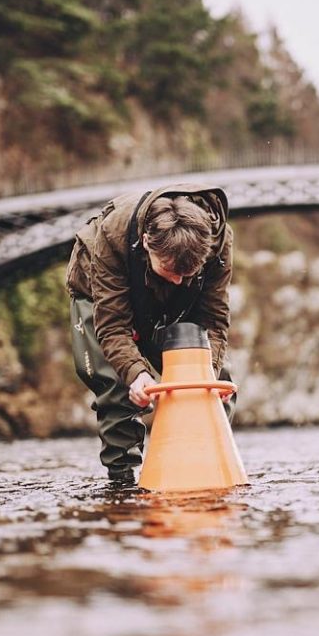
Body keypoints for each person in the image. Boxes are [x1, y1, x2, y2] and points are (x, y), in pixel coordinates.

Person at [66, 186, 233, 487]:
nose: (178, 280)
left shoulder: (217, 242)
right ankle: (123, 484)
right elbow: (113, 326)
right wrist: (136, 374)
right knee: (117, 387)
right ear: (146, 243)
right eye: (170, 271)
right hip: (99, 295)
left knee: (213, 382)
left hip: (176, 303)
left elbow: (214, 319)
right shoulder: (112, 233)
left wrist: (210, 370)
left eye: (187, 274)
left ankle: (201, 469)